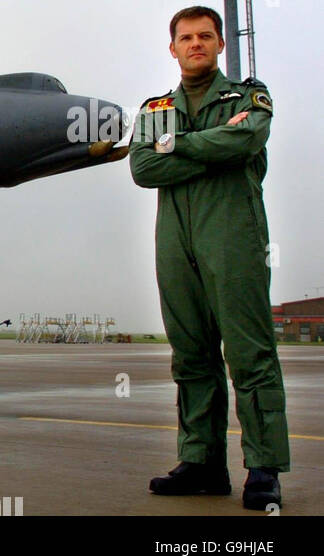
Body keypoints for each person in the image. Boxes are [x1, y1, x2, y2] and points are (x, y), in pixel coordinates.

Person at [128, 5, 288, 510]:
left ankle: (263, 469)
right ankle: (202, 462)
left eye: (205, 36)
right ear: (172, 48)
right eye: (185, 37)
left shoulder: (248, 97)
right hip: (175, 243)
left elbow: (246, 138)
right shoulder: (154, 109)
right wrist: (207, 147)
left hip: (233, 236)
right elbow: (144, 166)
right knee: (191, 356)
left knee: (249, 354)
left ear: (221, 44)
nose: (195, 43)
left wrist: (177, 147)